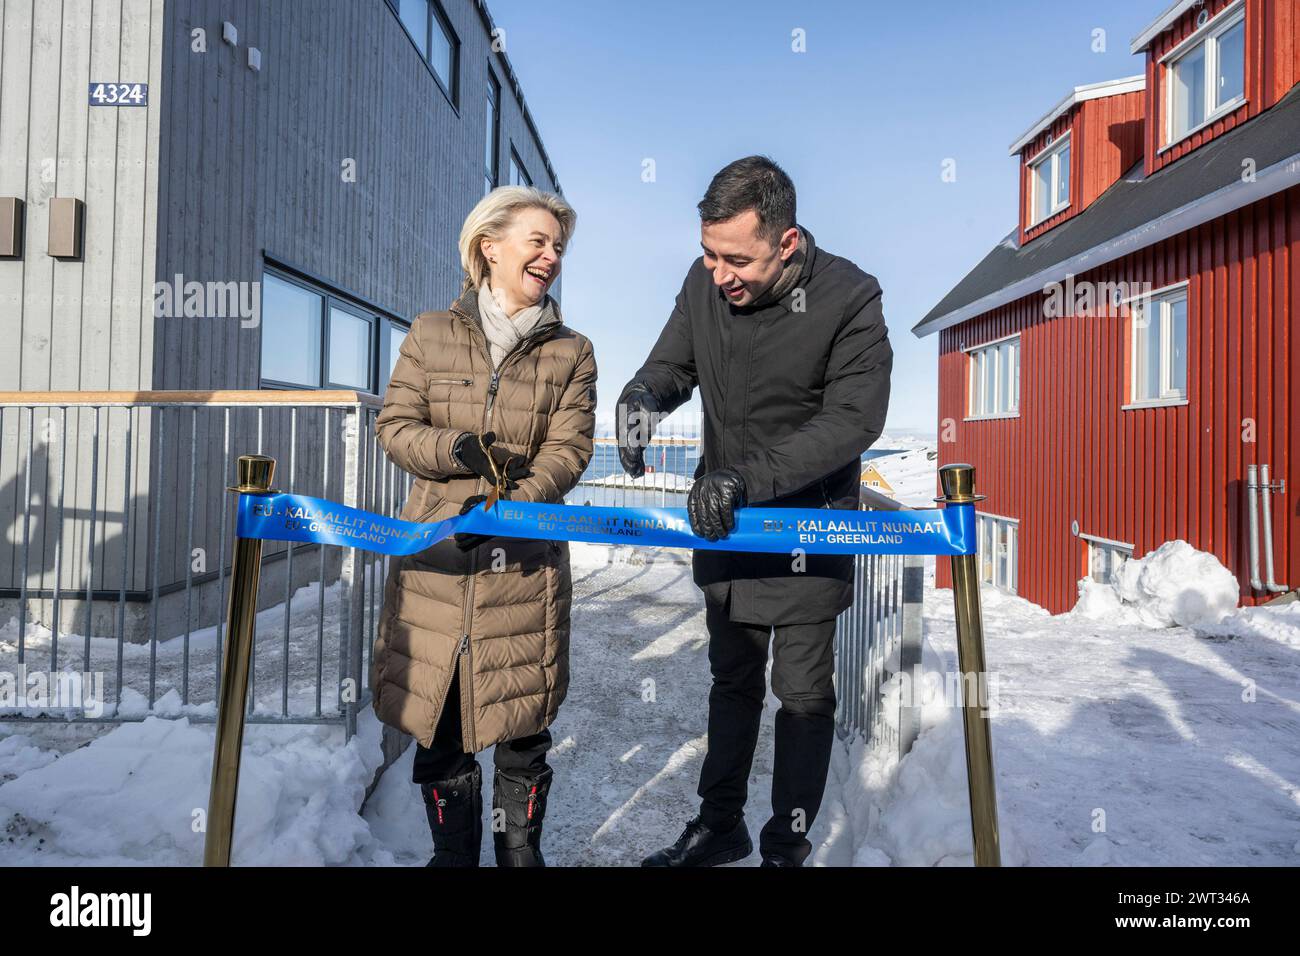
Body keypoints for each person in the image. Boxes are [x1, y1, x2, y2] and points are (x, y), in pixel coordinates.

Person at [618, 156, 892, 867]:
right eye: (709, 254)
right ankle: (720, 826)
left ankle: (784, 845)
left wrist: (747, 478)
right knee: (731, 681)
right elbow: (672, 366)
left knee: (800, 696)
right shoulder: (703, 282)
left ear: (788, 242)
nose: (719, 273)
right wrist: (641, 400)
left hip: (807, 531)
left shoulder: (850, 297)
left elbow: (854, 419)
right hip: (727, 529)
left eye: (737, 258)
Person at [372, 185, 597, 867]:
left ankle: (519, 853)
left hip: (524, 564)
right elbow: (396, 426)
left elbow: (570, 450)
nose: (552, 255)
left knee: (522, 724)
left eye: (558, 246)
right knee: (439, 721)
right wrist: (456, 450)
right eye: (538, 240)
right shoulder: (429, 333)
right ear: (488, 246)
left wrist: (509, 506)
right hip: (437, 558)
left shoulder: (573, 352)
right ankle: (453, 855)